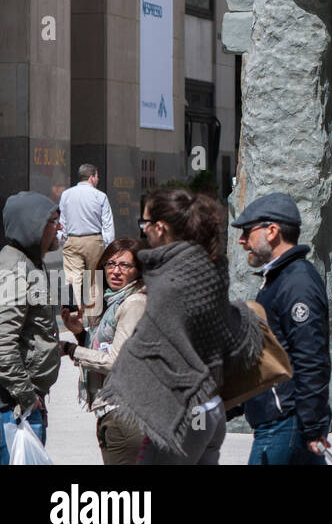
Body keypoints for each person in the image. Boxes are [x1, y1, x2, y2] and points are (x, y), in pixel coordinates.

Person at [101, 188, 263, 465]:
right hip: (210, 408)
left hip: (184, 413)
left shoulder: (169, 282)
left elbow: (143, 354)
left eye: (146, 224)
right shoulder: (207, 267)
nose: (144, 232)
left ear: (161, 229)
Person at [235, 193, 332, 465]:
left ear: (272, 231)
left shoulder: (296, 281)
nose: (243, 241)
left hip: (285, 423)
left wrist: (312, 425)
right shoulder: (281, 278)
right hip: (283, 421)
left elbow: (311, 356)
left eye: (247, 232)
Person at [60, 238, 147, 465]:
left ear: (138, 271)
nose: (116, 271)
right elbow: (105, 346)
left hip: (126, 414)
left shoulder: (134, 303)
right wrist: (80, 333)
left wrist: (71, 349)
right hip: (112, 413)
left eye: (125, 265)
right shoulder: (114, 302)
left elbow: (114, 362)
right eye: (110, 264)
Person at [0, 192, 60, 465]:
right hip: (13, 406)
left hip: (25, 401)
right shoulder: (15, 269)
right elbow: (3, 343)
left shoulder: (31, 263)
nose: (59, 227)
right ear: (32, 226)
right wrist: (26, 396)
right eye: (52, 221)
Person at [58, 163, 116, 313]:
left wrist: (61, 239)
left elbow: (62, 221)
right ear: (91, 177)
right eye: (97, 176)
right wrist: (108, 246)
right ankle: (93, 319)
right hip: (94, 241)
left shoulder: (66, 194)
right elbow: (108, 225)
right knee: (94, 282)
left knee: (72, 279)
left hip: (72, 240)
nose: (98, 179)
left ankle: (71, 315)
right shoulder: (100, 196)